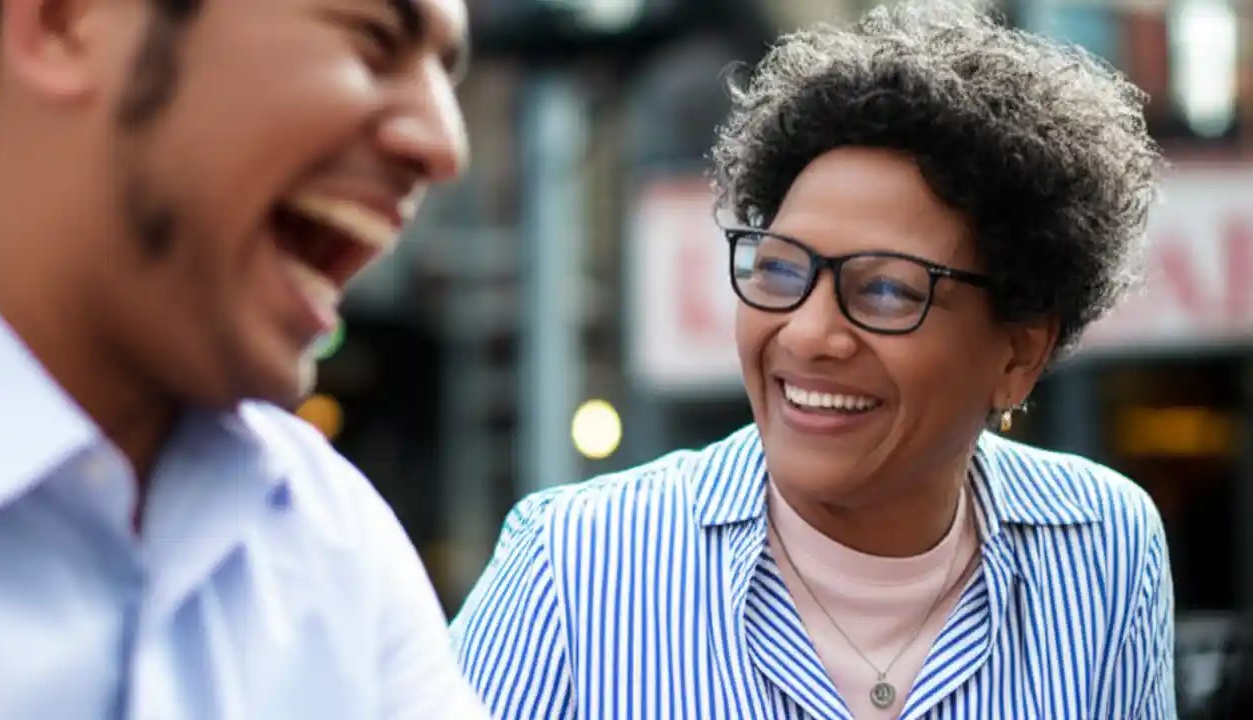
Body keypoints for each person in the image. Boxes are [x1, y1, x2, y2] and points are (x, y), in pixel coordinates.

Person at [451, 3, 1174, 718]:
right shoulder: (575, 566)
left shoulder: (1102, 545)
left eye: (887, 290)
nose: (806, 334)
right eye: (781, 271)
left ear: (1018, 354)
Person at [0, 0, 485, 717]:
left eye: (443, 72)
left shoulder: (333, 548)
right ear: (67, 23)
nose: (443, 146)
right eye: (372, 43)